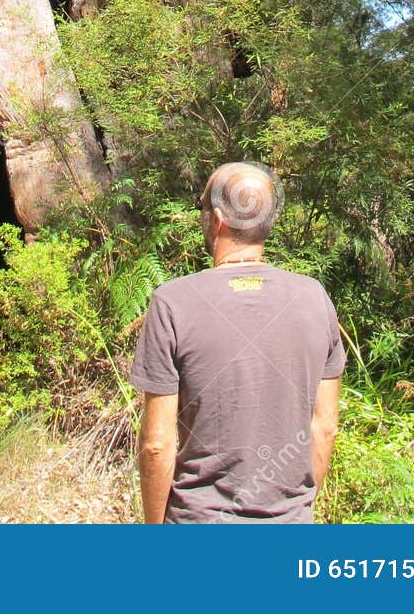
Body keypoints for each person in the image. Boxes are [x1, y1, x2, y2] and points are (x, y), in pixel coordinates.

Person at [131, 161, 345, 524]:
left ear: (216, 219)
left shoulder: (173, 302)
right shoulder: (314, 298)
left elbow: (157, 444)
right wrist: (295, 510)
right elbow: (325, 427)